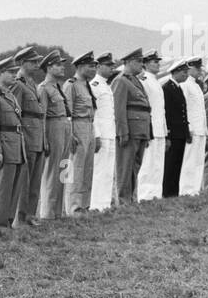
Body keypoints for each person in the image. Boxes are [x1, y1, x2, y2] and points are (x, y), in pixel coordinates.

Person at [0, 54, 27, 229]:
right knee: (2, 188)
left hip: (17, 144)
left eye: (15, 71)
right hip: (5, 144)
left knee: (14, 186)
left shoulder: (9, 95)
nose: (14, 75)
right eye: (10, 72)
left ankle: (8, 223)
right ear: (0, 74)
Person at [112, 48, 152, 203]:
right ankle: (123, 201)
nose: (142, 65)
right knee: (124, 168)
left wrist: (147, 132)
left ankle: (131, 199)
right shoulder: (121, 81)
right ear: (128, 62)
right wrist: (122, 132)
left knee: (135, 167)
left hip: (140, 130)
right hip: (129, 131)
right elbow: (119, 109)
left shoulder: (135, 81)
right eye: (139, 61)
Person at [36, 50, 71, 220]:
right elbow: (41, 116)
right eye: (58, 65)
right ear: (48, 68)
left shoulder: (57, 87)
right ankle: (48, 212)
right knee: (52, 171)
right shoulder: (43, 88)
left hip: (64, 126)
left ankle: (58, 211)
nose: (62, 67)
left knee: (64, 169)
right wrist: (44, 139)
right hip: (53, 127)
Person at [62, 52, 97, 214]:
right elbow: (66, 112)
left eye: (95, 66)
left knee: (87, 169)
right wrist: (70, 135)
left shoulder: (86, 85)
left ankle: (84, 205)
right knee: (74, 169)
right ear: (80, 66)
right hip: (77, 126)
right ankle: (73, 207)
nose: (94, 69)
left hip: (89, 126)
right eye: (91, 66)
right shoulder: (71, 85)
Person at [14, 47, 45, 225]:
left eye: (36, 61)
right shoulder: (18, 83)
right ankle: (20, 218)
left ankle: (30, 215)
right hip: (27, 135)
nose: (36, 65)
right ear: (22, 63)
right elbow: (16, 112)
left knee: (34, 180)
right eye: (32, 62)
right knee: (24, 181)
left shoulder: (31, 82)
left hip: (37, 135)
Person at [88, 52, 118, 212]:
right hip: (102, 134)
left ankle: (105, 203)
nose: (111, 68)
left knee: (108, 172)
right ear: (98, 66)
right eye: (108, 65)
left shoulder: (106, 85)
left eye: (112, 65)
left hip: (110, 133)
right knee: (99, 171)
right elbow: (95, 114)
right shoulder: (94, 85)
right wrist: (97, 135)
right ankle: (96, 205)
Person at [136, 50, 167, 201]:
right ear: (145, 64)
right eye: (154, 62)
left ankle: (155, 194)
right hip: (150, 128)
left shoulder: (155, 81)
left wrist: (165, 129)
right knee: (148, 164)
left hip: (159, 128)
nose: (158, 64)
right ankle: (145, 195)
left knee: (157, 164)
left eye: (158, 61)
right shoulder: (144, 80)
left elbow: (161, 110)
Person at [161, 59, 191, 197]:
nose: (186, 75)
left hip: (180, 133)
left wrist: (186, 131)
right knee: (170, 165)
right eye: (184, 72)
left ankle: (174, 192)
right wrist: (167, 134)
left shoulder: (178, 88)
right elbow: (166, 113)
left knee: (177, 164)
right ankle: (167, 192)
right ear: (177, 72)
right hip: (173, 133)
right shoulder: (167, 88)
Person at [179, 57, 208, 195]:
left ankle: (194, 189)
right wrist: (187, 128)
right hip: (192, 129)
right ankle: (186, 189)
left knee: (198, 161)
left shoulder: (196, 85)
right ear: (189, 68)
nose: (199, 71)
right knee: (189, 161)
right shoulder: (185, 85)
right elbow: (182, 108)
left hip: (200, 129)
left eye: (200, 69)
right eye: (197, 69)